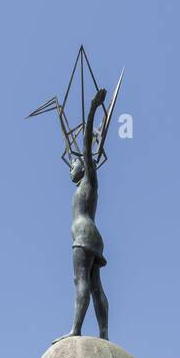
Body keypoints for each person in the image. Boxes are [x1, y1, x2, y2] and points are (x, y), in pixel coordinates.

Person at [54, 86, 110, 343]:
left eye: (74, 163)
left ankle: (75, 329)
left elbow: (86, 143)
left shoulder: (89, 178)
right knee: (96, 286)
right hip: (92, 236)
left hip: (84, 236)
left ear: (86, 165)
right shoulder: (84, 187)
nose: (71, 168)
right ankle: (103, 333)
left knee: (80, 282)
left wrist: (93, 107)